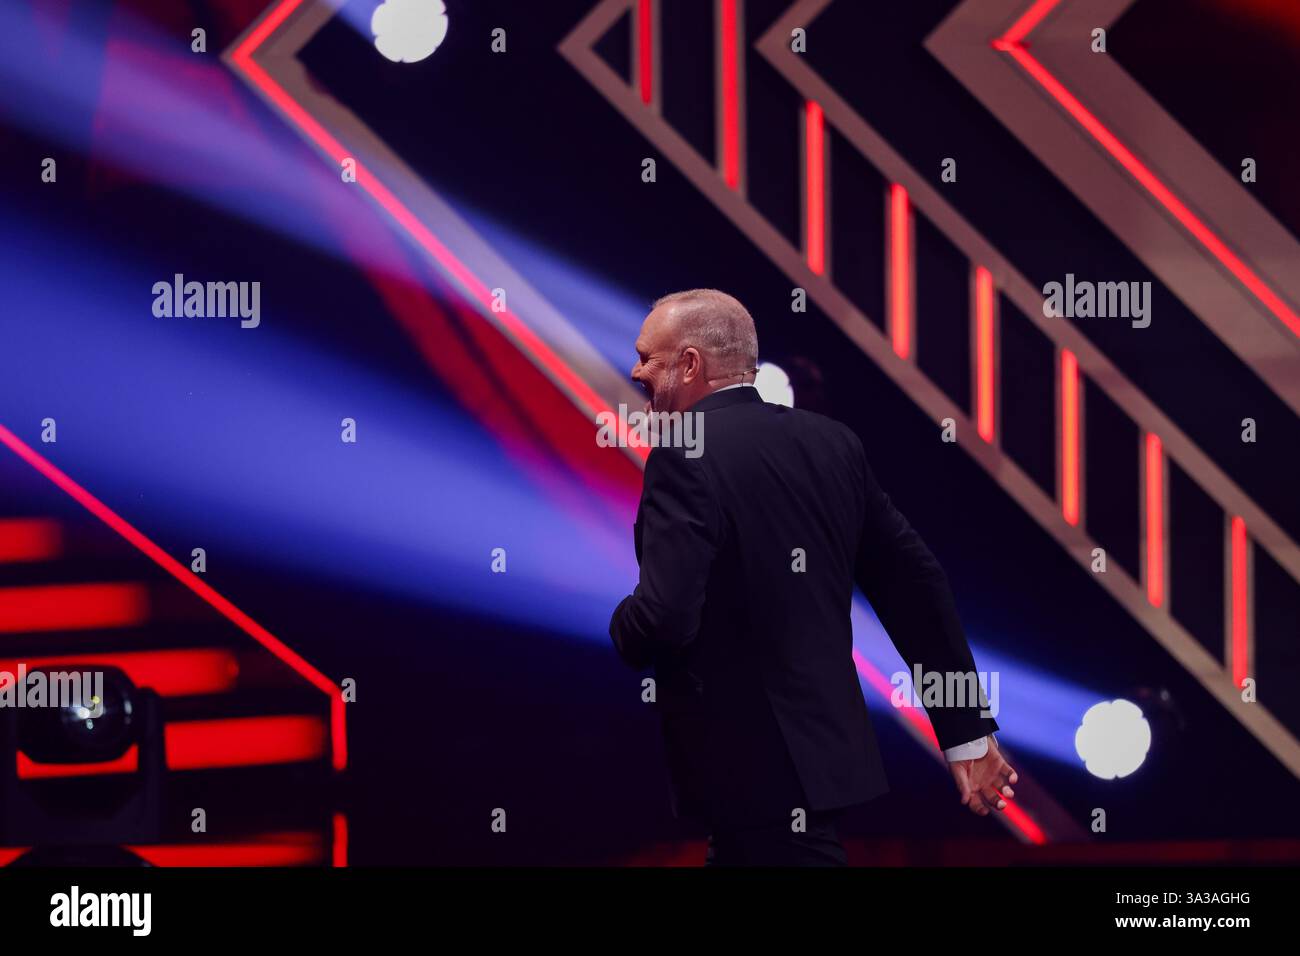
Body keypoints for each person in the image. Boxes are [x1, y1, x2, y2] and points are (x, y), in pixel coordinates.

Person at [608, 289, 1017, 866]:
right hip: (818, 768)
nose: (636, 370)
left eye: (648, 357)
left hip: (747, 772)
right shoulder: (832, 443)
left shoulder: (682, 454)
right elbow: (914, 585)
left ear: (691, 364)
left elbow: (665, 617)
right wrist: (965, 730)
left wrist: (624, 624)